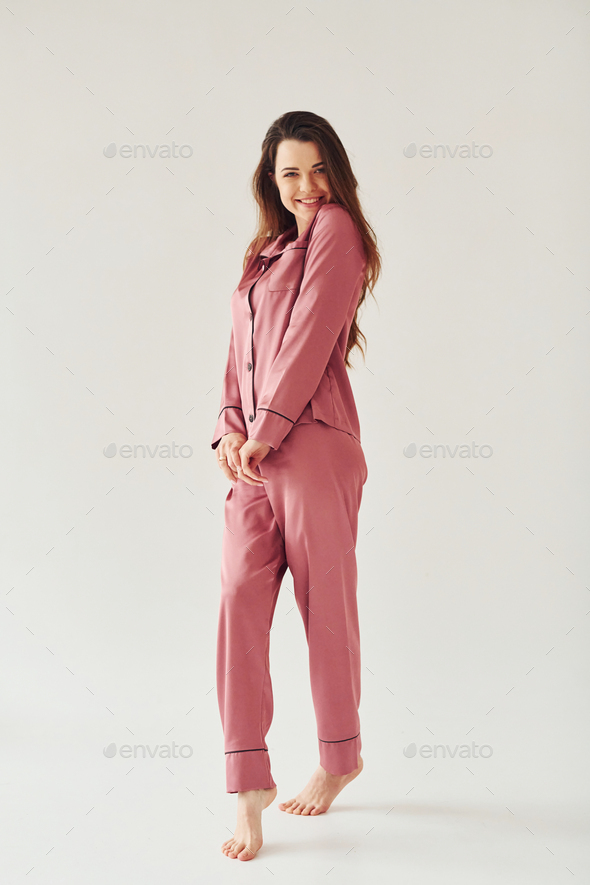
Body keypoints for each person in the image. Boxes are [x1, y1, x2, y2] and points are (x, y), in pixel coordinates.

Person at [211, 110, 381, 861]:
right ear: (270, 181)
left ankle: (340, 755)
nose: (306, 186)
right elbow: (236, 355)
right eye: (290, 172)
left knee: (325, 608)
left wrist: (266, 428)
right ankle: (248, 786)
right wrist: (226, 429)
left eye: (317, 168)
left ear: (335, 170)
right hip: (254, 454)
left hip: (311, 444)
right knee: (237, 604)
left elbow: (313, 335)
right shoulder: (265, 252)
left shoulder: (336, 230)